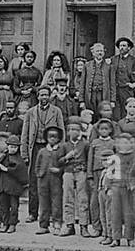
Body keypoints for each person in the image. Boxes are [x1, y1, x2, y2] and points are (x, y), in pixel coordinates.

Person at [22, 85, 64, 222]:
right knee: (34, 180)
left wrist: (60, 151)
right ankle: (33, 213)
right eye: (41, 95)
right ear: (38, 96)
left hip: (51, 148)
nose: (44, 97)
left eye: (46, 95)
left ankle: (52, 214)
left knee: (52, 179)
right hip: (35, 148)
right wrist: (24, 153)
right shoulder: (30, 112)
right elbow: (25, 134)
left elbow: (61, 131)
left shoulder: (56, 111)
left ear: (50, 96)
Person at [57, 117, 90, 237]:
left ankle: (84, 226)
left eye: (76, 129)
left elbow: (88, 159)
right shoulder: (64, 145)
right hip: (68, 172)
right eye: (70, 129)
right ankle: (69, 225)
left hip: (81, 172)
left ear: (80, 131)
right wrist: (66, 157)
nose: (73, 132)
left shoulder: (85, 144)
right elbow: (58, 162)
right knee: (67, 198)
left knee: (83, 199)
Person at [0, 134, 28, 232]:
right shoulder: (3, 157)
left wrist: (6, 169)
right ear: (8, 146)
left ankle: (12, 224)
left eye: (15, 147)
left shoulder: (19, 159)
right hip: (3, 186)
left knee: (14, 207)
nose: (13, 149)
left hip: (14, 188)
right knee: (4, 207)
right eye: (11, 146)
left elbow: (19, 170)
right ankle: (5, 223)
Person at [87, 118, 118, 241]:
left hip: (109, 174)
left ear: (110, 130)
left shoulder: (113, 143)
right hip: (96, 173)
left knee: (108, 203)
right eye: (101, 129)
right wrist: (89, 174)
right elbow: (90, 159)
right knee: (95, 201)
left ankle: (109, 231)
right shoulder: (94, 143)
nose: (104, 131)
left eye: (106, 129)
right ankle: (97, 227)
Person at [105, 132, 135, 248]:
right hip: (116, 187)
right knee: (115, 214)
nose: (124, 145)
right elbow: (109, 174)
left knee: (129, 214)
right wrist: (108, 188)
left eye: (126, 143)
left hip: (129, 188)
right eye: (121, 143)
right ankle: (116, 238)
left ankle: (130, 238)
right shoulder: (114, 157)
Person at [33, 125, 66, 233]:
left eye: (55, 137)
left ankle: (57, 224)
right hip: (43, 180)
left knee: (56, 202)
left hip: (56, 179)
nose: (52, 139)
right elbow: (37, 164)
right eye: (50, 136)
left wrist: (59, 170)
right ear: (46, 138)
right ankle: (43, 225)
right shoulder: (42, 151)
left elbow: (64, 164)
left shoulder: (61, 150)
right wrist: (39, 174)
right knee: (43, 203)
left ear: (58, 138)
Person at [83, 42, 115, 114]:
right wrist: (81, 101)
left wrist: (113, 100)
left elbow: (112, 84)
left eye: (101, 51)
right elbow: (82, 84)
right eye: (97, 51)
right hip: (91, 94)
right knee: (91, 113)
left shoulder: (109, 66)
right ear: (93, 53)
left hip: (103, 94)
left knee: (103, 113)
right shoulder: (87, 65)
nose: (99, 53)